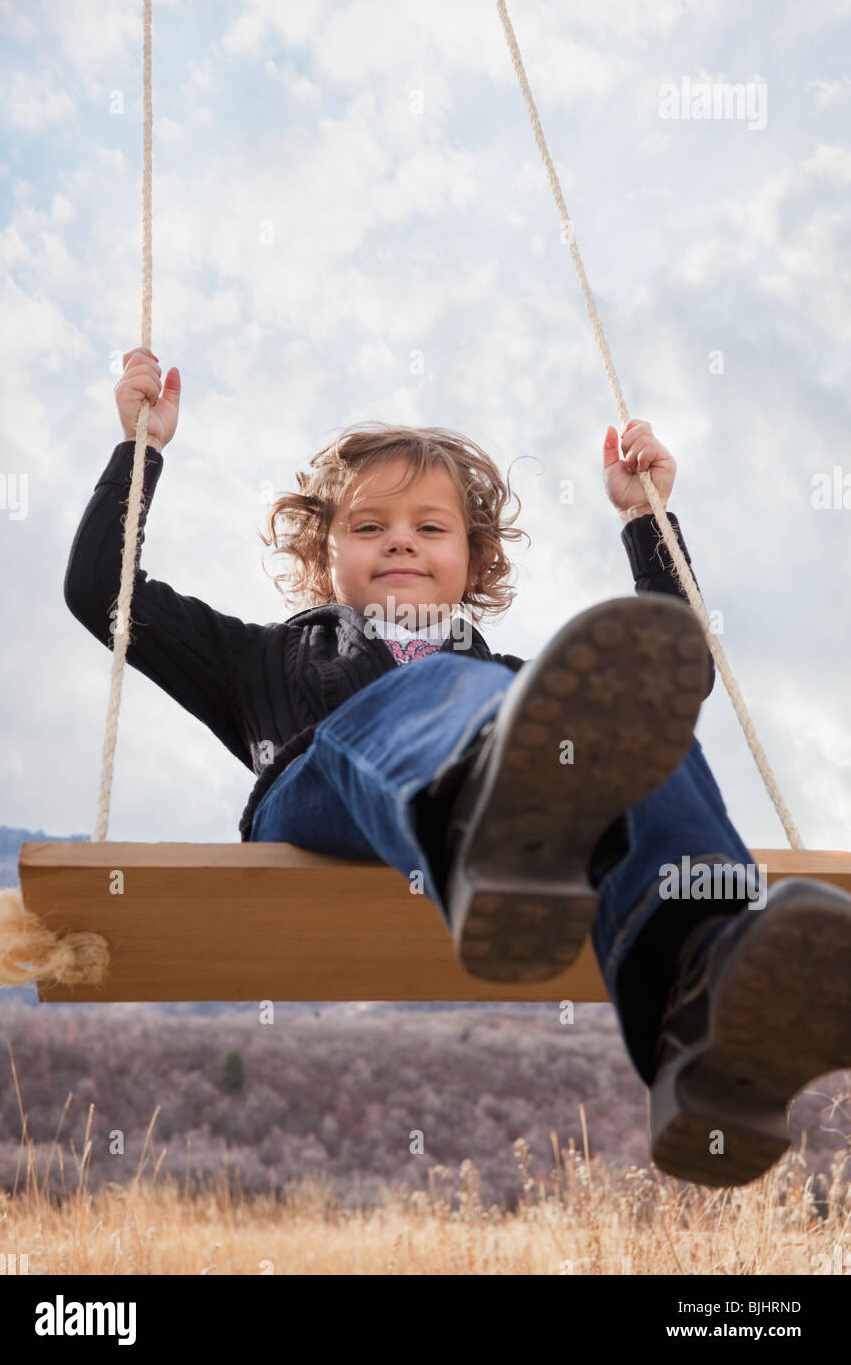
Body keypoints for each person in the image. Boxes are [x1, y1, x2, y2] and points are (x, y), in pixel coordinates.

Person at [64, 347, 851, 1189]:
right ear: (323, 557)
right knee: (454, 695)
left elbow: (678, 671)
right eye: (369, 527)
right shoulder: (260, 661)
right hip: (320, 804)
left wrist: (644, 522)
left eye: (430, 527)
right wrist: (139, 451)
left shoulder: (519, 686)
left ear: (473, 563)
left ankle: (707, 1000)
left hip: (510, 829)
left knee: (633, 724)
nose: (400, 538)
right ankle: (481, 816)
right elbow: (101, 594)